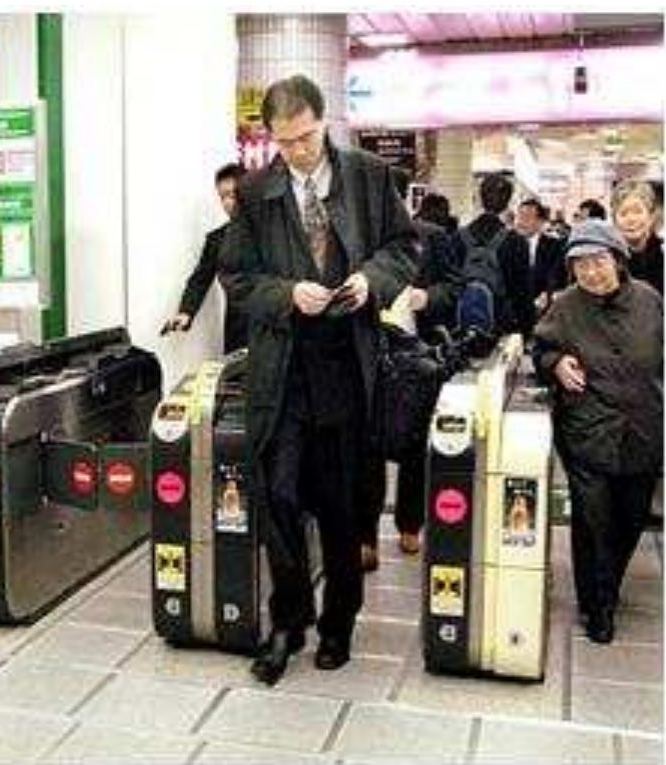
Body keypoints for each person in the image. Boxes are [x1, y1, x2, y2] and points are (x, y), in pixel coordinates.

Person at [219, 74, 417, 684]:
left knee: (339, 507)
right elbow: (237, 277)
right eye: (284, 143)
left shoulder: (369, 177)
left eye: (304, 138)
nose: (296, 153)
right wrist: (285, 294)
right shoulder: (256, 192)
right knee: (278, 499)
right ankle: (287, 623)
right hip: (281, 371)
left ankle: (338, 625)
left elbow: (405, 248)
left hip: (345, 370)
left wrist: (372, 282)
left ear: (323, 122)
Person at [533, 219, 662, 644]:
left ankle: (609, 584)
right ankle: (597, 605)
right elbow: (541, 347)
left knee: (631, 518)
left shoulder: (649, 300)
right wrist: (556, 363)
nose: (591, 272)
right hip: (588, 428)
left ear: (618, 260)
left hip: (643, 428)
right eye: (580, 264)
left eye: (598, 261)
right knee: (592, 520)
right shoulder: (566, 306)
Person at [357, 167, 464, 570]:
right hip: (369, 353)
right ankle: (365, 533)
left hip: (418, 357)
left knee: (415, 444)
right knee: (366, 445)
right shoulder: (357, 239)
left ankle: (409, 523)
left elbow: (456, 286)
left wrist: (428, 296)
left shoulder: (432, 238)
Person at [163, 163, 249, 353]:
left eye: (233, 194)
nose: (228, 202)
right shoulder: (216, 239)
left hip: (276, 329)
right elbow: (201, 278)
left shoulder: (273, 230)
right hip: (237, 332)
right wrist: (186, 312)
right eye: (223, 196)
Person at [456, 173, 535, 339]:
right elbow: (523, 293)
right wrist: (526, 331)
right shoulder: (516, 242)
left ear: (479, 198)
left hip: (461, 326)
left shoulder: (457, 238)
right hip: (502, 327)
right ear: (508, 203)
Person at [514, 197, 568, 316]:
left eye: (527, 217)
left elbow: (556, 277)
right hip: (513, 310)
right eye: (519, 216)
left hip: (544, 310)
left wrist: (548, 294)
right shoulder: (508, 244)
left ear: (540, 222)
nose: (520, 222)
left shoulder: (555, 246)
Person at [611, 180, 663, 296]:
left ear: (651, 216)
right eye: (623, 213)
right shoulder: (609, 259)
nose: (631, 219)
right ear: (615, 220)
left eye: (638, 212)